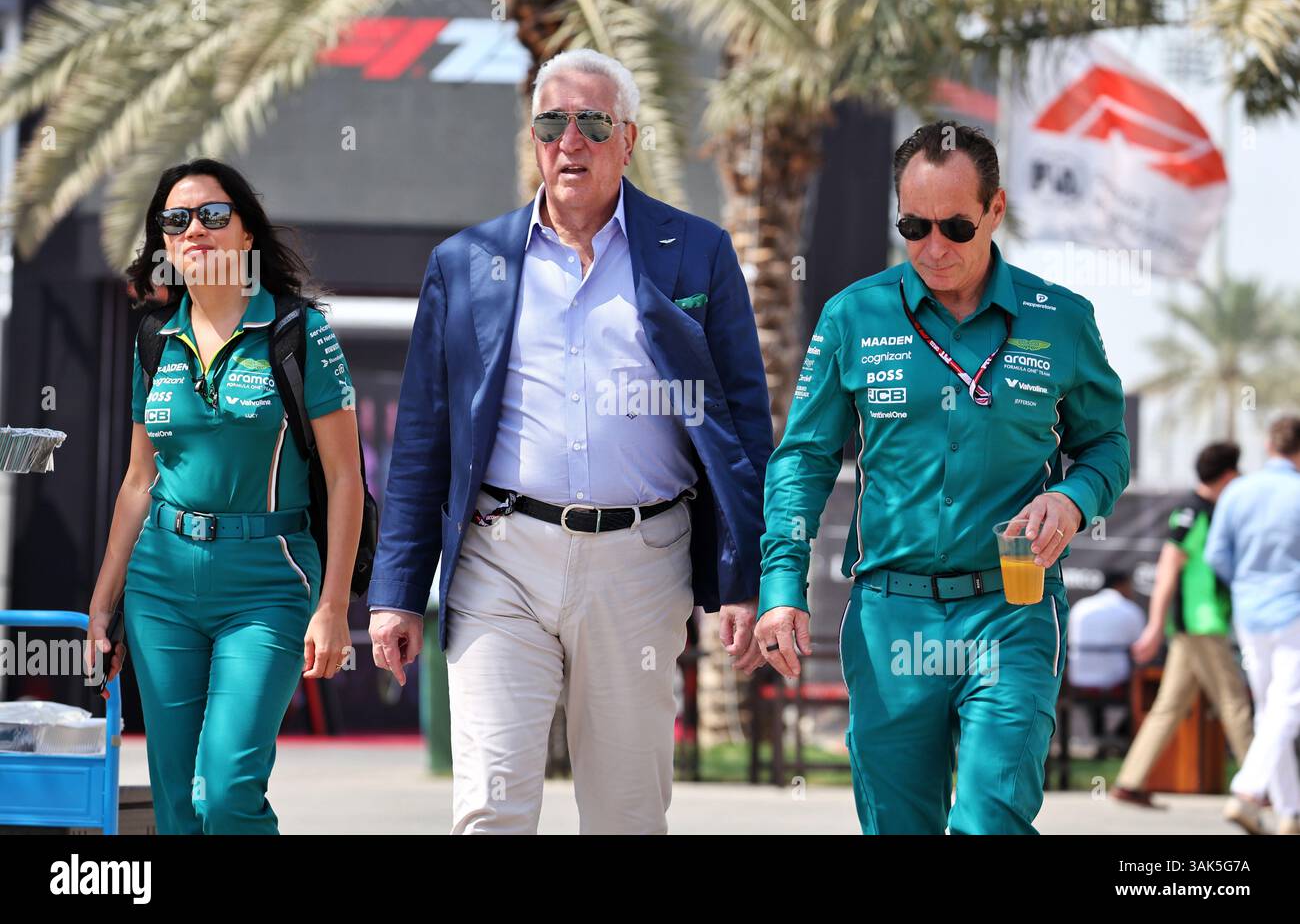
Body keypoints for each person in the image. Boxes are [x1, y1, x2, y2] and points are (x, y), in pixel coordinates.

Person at [367, 49, 773, 834]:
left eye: (592, 123)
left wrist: (747, 578)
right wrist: (394, 591)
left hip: (642, 561)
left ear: (629, 139)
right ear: (534, 138)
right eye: (553, 123)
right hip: (501, 560)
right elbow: (422, 437)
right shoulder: (466, 263)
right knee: (490, 808)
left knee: (625, 814)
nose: (571, 141)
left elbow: (744, 424)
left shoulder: (697, 252)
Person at [756, 121, 1129, 834]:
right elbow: (802, 458)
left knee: (989, 819)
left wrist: (1073, 498)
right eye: (913, 225)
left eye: (956, 225)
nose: (933, 247)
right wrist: (781, 587)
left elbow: (1107, 442)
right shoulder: (853, 316)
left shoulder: (1060, 320)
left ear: (997, 211)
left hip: (1012, 609)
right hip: (891, 612)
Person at [84, 159, 364, 834]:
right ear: (165, 246)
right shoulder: (154, 339)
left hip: (268, 581)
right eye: (176, 221)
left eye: (213, 214)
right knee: (177, 806)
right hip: (161, 585)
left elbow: (346, 476)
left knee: (226, 791)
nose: (194, 230)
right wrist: (102, 602)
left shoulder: (298, 332)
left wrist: (331, 606)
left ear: (246, 235)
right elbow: (138, 480)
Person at [1111, 442, 1253, 808]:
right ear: (1229, 475)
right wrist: (1155, 626)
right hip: (1201, 625)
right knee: (1234, 703)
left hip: (1195, 627)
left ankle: (1130, 780)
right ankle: (1261, 785)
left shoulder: (1206, 510)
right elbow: (1168, 569)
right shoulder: (1194, 512)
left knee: (1169, 706)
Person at [1205, 416, 1300, 835]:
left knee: (1271, 710)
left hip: (1249, 612)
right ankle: (1247, 791)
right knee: (1287, 706)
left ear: (1268, 445)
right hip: (1294, 608)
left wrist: (1245, 584)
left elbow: (1216, 555)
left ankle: (1289, 812)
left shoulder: (1238, 492)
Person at [1066, 572, 1145, 756]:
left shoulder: (1080, 607)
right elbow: (1141, 649)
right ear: (1121, 585)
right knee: (1147, 689)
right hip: (1118, 682)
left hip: (1078, 681)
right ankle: (1115, 738)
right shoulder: (1131, 610)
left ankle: (1103, 737)